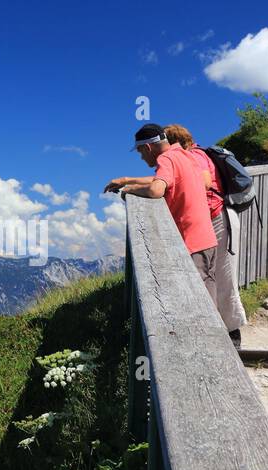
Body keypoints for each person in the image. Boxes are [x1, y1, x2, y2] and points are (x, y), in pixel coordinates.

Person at [105, 124, 219, 301]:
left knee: (194, 300)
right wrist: (127, 181)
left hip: (192, 242)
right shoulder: (185, 155)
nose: (142, 158)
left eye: (141, 153)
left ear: (148, 147)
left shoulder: (165, 158)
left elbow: (156, 189)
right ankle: (218, 329)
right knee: (208, 294)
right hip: (208, 239)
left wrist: (129, 191)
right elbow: (165, 179)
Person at [163, 124, 248, 347]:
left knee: (222, 275)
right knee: (213, 274)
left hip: (218, 217)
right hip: (212, 218)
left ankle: (231, 333)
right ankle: (218, 331)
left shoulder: (195, 156)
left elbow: (204, 182)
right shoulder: (192, 155)